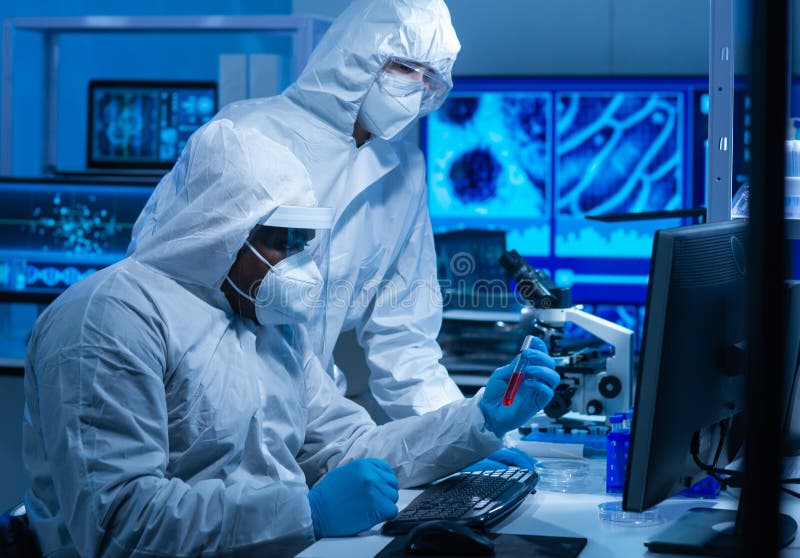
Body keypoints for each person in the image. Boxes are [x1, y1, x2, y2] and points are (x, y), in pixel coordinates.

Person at [22, 121, 560, 557]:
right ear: (219, 229)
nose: (301, 265)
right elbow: (121, 527)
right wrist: (307, 514)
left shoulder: (267, 324)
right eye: (282, 242)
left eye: (305, 242)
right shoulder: (111, 316)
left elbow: (348, 448)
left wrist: (479, 419)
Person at [132, 0, 537, 470]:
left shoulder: (402, 171)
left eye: (430, 77)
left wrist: (468, 439)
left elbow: (405, 341)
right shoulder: (244, 136)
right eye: (405, 67)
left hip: (311, 414)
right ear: (355, 55)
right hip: (200, 410)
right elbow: (164, 280)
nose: (417, 87)